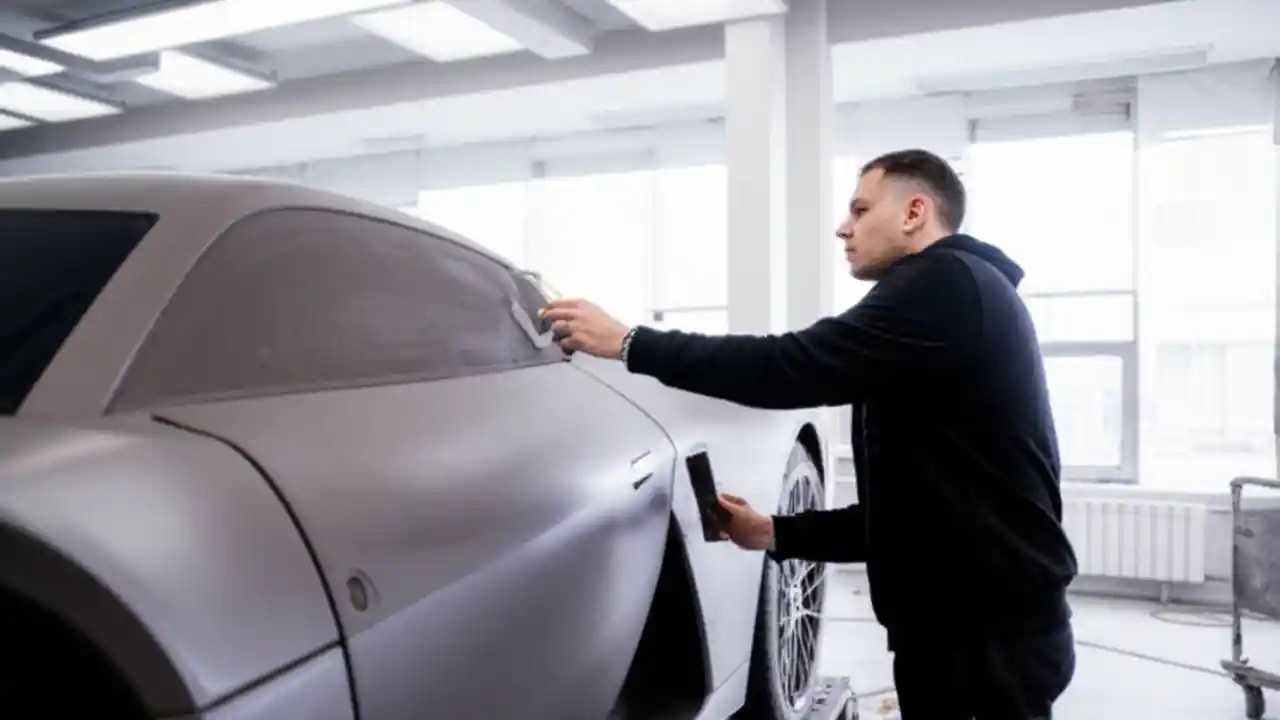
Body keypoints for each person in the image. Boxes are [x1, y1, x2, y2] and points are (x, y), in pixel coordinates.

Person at [540, 148, 1078, 720]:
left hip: (984, 642)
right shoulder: (956, 301)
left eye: (861, 209)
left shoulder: (945, 283)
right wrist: (774, 532)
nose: (843, 228)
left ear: (915, 212)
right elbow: (909, 518)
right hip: (974, 632)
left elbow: (791, 365)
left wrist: (630, 343)